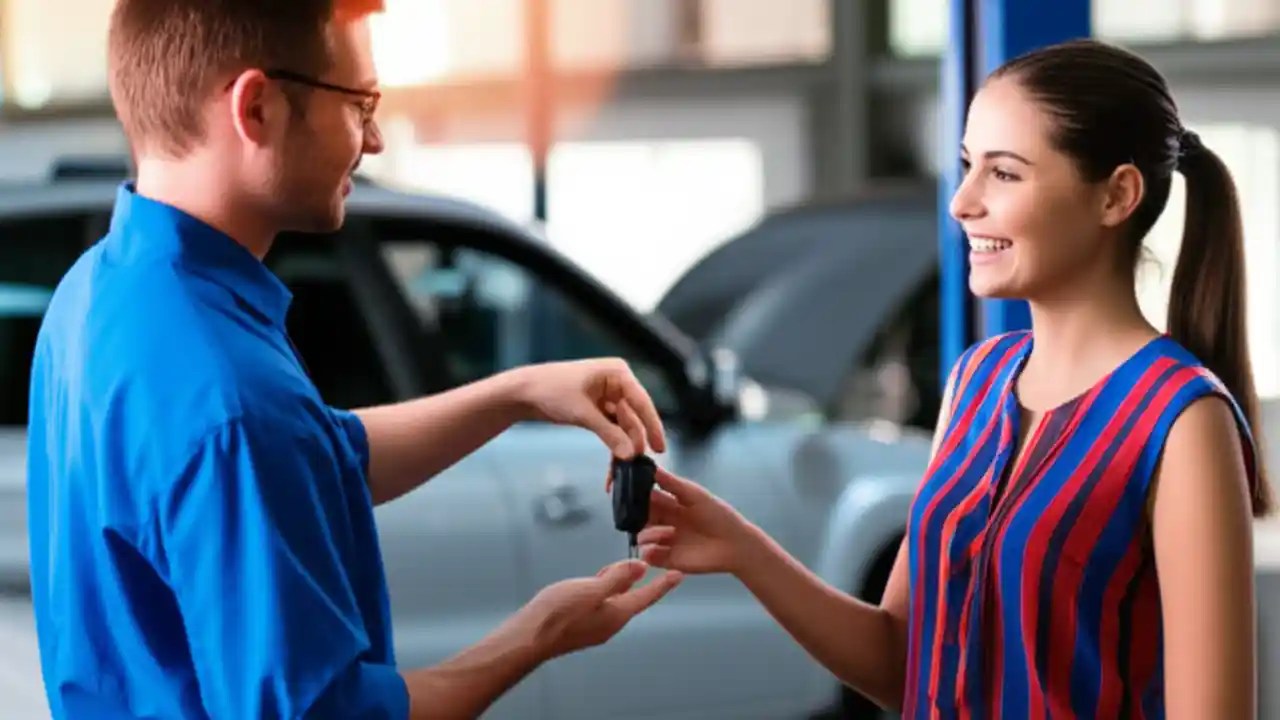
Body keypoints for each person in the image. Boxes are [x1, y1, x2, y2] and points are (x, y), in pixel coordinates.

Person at [25, 1, 682, 718]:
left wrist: (519, 393)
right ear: (259, 107)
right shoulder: (228, 395)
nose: (371, 139)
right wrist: (536, 637)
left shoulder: (97, 293)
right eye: (360, 103)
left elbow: (319, 457)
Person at [633, 38, 1270, 718]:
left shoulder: (1182, 419)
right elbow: (902, 661)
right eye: (967, 166)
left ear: (1117, 195)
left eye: (1004, 173)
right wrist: (743, 549)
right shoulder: (976, 383)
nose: (962, 202)